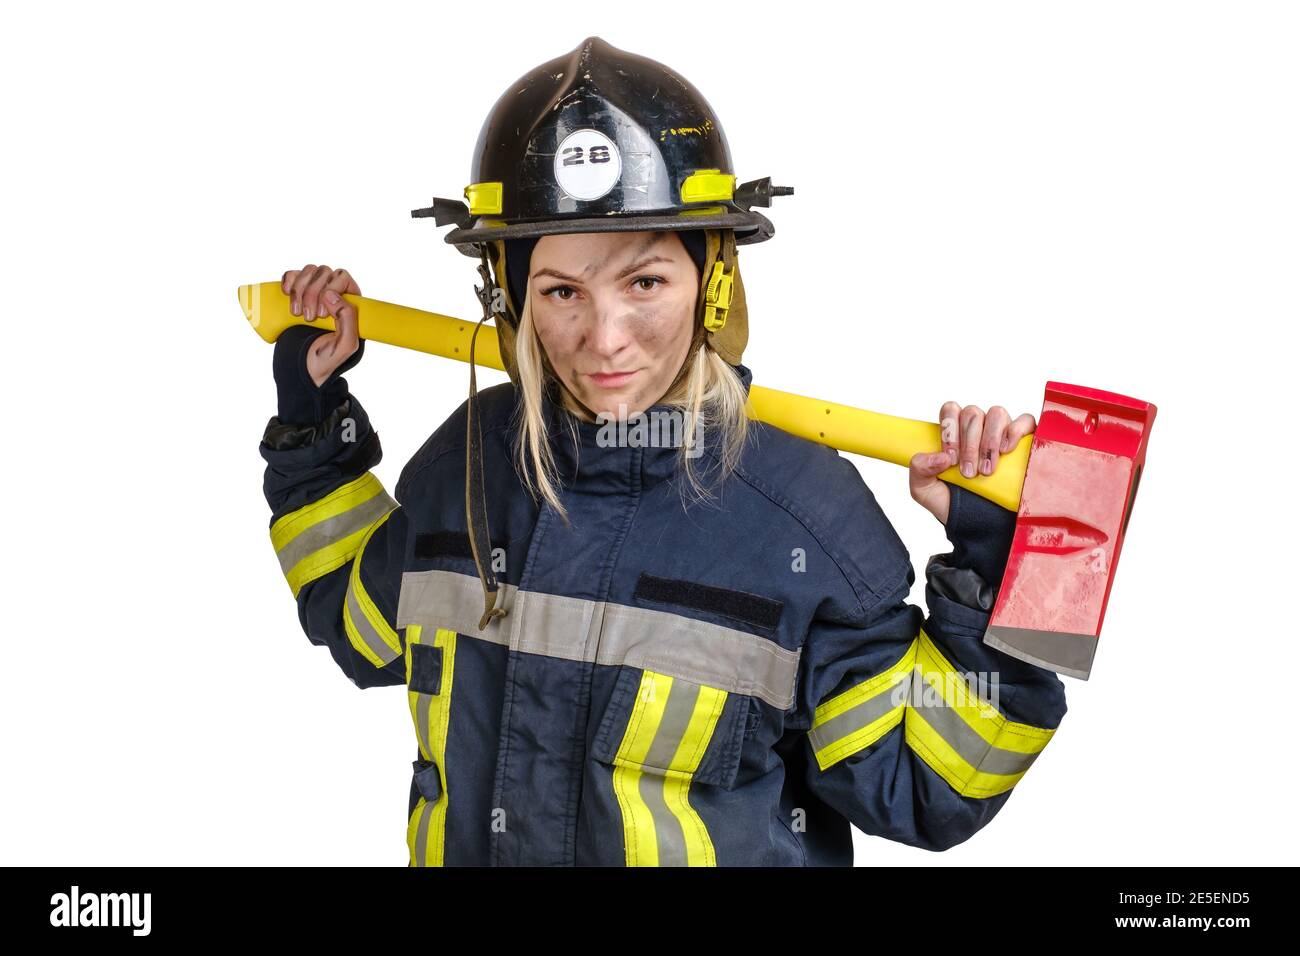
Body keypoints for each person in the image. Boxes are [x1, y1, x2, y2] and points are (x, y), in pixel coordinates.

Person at [259, 37, 1067, 867]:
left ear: (713, 282)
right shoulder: (468, 467)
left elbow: (931, 787)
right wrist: (312, 423)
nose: (604, 340)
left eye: (645, 283)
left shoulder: (804, 521)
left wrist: (1009, 575)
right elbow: (351, 617)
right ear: (507, 295)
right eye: (561, 291)